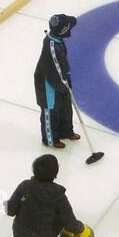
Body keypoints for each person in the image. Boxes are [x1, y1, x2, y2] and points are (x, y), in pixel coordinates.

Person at [5, 154, 86, 237]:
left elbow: (10, 210)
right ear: (55, 173)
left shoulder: (24, 186)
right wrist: (79, 228)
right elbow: (69, 222)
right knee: (59, 216)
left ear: (34, 170)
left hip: (18, 232)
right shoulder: (58, 195)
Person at [34, 13, 80, 149]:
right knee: (51, 111)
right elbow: (57, 69)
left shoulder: (57, 40)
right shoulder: (52, 46)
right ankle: (50, 139)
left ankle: (66, 131)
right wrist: (65, 84)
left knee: (65, 107)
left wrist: (66, 82)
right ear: (63, 31)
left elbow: (62, 66)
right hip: (48, 83)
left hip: (60, 81)